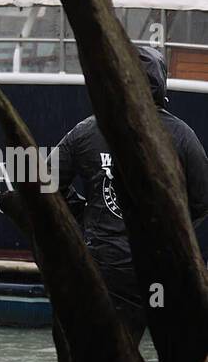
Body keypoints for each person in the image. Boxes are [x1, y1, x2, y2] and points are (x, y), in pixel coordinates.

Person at [54, 45, 208, 341]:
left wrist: (82, 213)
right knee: (165, 340)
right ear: (161, 81)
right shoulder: (183, 136)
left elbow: (42, 178)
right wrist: (171, 228)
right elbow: (202, 201)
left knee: (101, 346)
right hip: (157, 269)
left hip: (104, 266)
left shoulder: (87, 131)